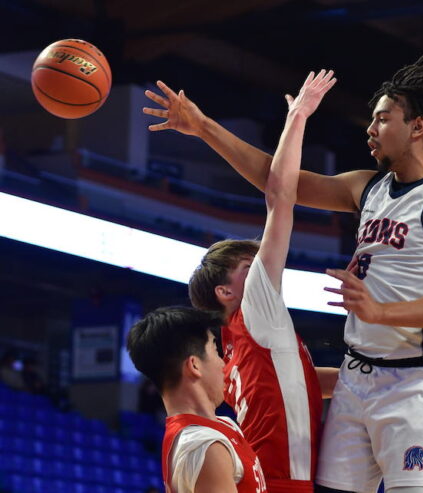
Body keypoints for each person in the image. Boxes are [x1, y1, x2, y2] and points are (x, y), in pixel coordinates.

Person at [144, 57, 423, 493]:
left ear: (417, 127)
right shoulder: (367, 186)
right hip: (357, 375)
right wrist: (204, 127)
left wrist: (380, 312)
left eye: (382, 119)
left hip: (417, 380)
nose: (370, 129)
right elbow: (278, 182)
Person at [145, 69, 338, 493]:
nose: (265, 267)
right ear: (226, 292)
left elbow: (297, 382)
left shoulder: (232, 350)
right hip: (285, 480)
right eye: (250, 267)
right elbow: (279, 197)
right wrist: (299, 115)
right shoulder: (255, 311)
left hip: (272, 476)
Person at [126, 306, 267, 493]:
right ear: (194, 365)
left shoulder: (222, 426)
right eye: (216, 351)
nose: (223, 363)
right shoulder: (204, 446)